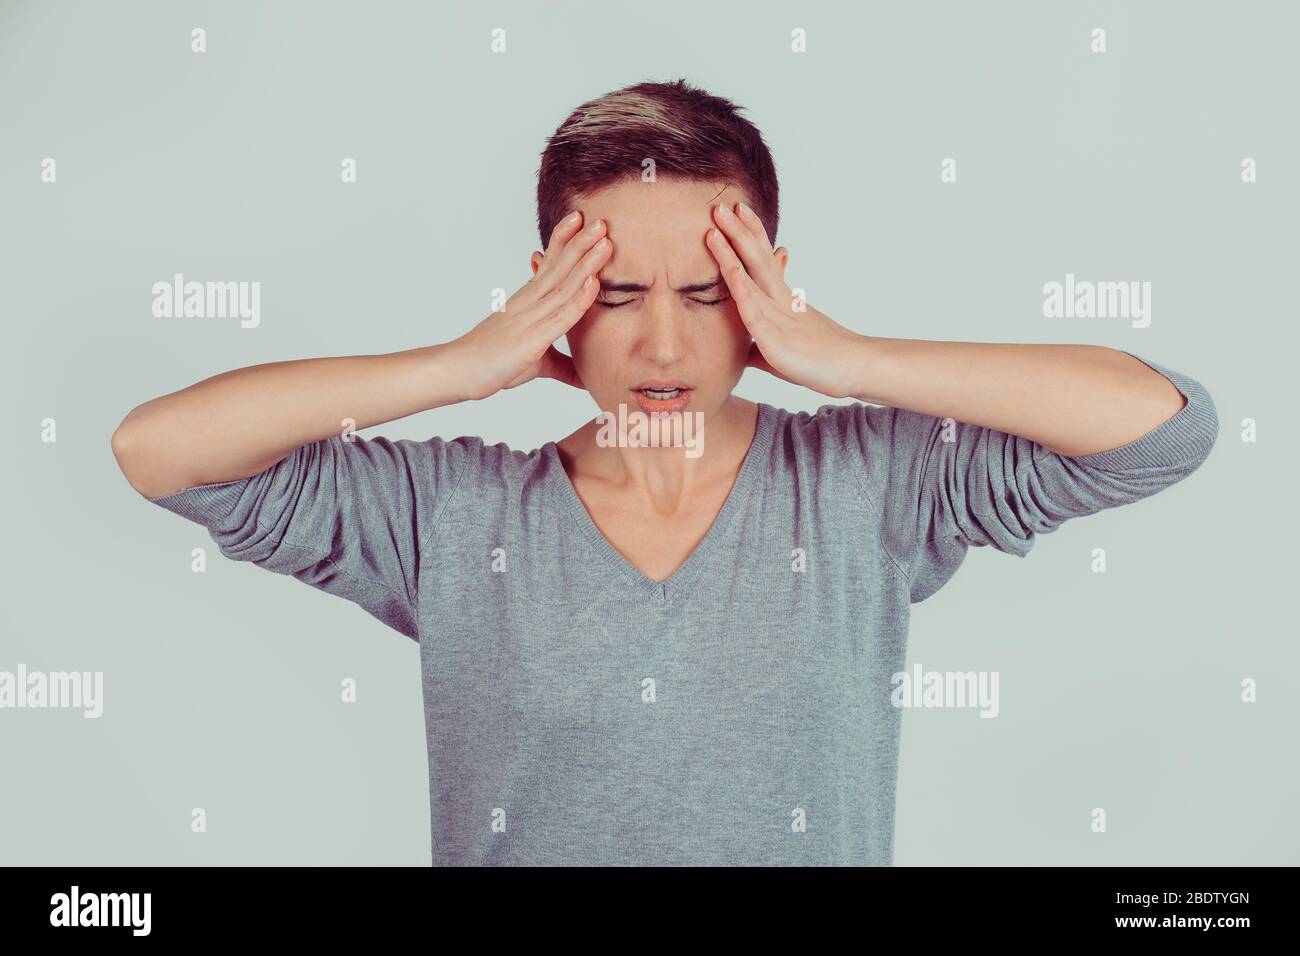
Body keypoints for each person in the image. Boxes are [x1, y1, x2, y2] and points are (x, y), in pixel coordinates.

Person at [111, 79, 1219, 865]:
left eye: (704, 294)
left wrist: (850, 359)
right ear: (547, 290)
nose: (662, 349)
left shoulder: (866, 485)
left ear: (766, 292)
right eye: (614, 293)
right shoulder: (447, 513)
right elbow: (156, 449)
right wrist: (455, 367)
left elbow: (1161, 426)